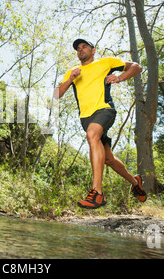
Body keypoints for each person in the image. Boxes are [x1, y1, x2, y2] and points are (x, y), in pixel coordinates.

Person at [54, 39, 147, 209]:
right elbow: (56, 94)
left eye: (84, 47)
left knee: (92, 135)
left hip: (104, 110)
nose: (80, 50)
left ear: (93, 50)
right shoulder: (73, 71)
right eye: (78, 48)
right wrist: (70, 79)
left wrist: (119, 78)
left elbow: (136, 67)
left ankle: (97, 193)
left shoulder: (106, 62)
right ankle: (135, 182)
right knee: (109, 159)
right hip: (85, 118)